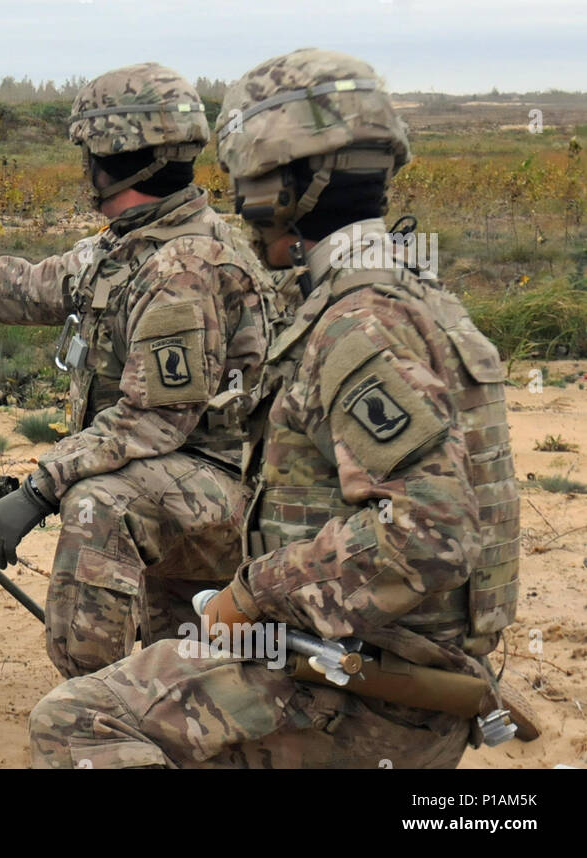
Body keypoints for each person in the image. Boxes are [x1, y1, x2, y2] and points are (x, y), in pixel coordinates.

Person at [28, 48, 519, 768]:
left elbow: (430, 533)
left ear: (289, 187)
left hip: (358, 695)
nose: (239, 204)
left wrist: (256, 594)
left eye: (248, 182)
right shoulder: (415, 296)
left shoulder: (361, 323)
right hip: (383, 666)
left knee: (78, 721)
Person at [0, 62, 276, 677]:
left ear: (115, 156)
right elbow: (45, 284)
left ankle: (92, 704)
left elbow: (150, 421)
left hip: (222, 485)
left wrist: (39, 489)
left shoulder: (186, 267)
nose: (85, 166)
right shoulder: (136, 242)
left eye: (89, 152)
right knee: (186, 664)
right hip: (176, 478)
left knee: (98, 504)